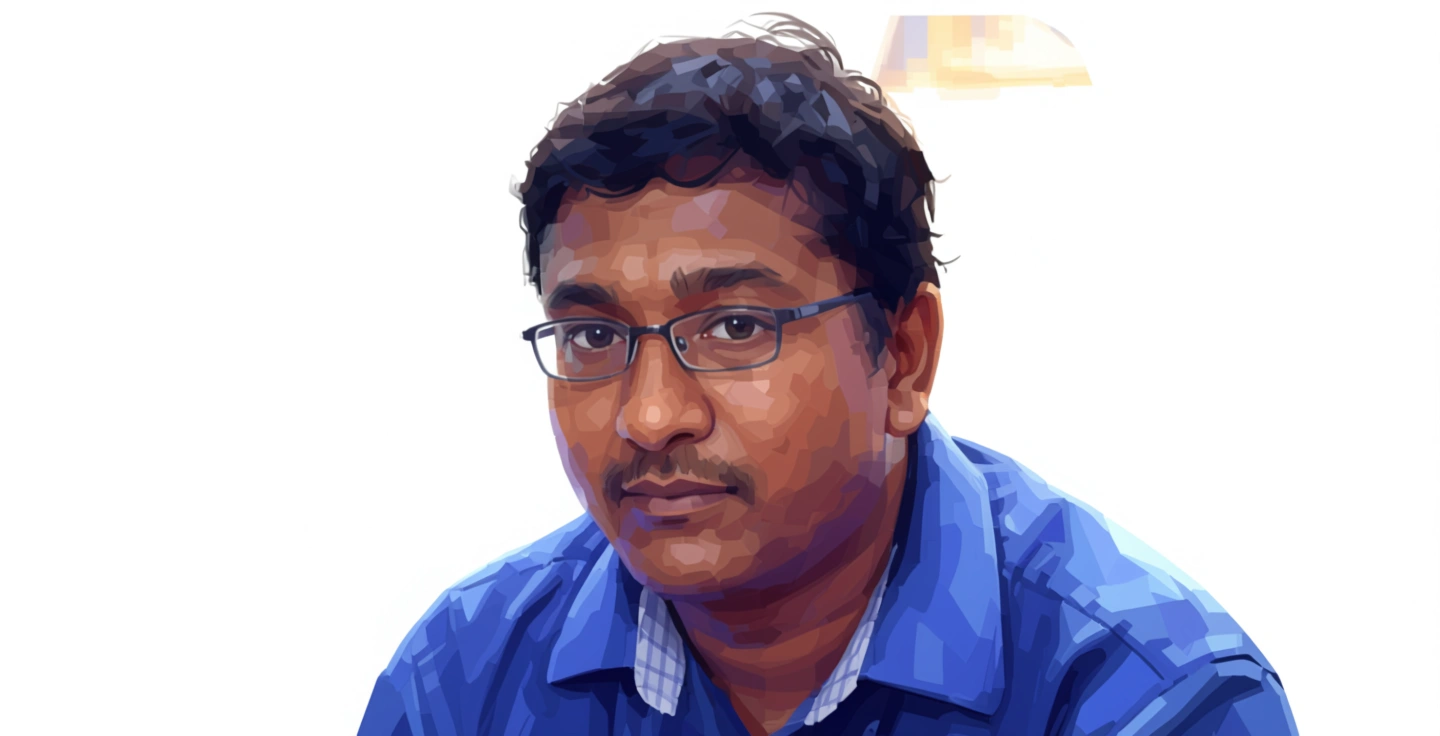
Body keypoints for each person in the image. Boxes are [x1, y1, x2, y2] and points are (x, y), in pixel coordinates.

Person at [358, 14, 1297, 736]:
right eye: (594, 336)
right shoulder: (464, 680)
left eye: (735, 327)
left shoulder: (1148, 694)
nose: (650, 416)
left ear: (905, 357)